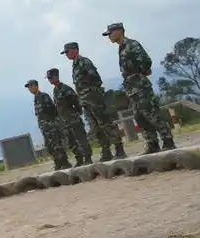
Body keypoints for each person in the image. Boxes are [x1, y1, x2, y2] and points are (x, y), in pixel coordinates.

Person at [103, 22, 177, 153]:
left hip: (140, 86)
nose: (109, 37)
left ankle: (167, 140)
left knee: (151, 113)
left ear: (119, 31)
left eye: (110, 33)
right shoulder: (121, 48)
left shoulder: (131, 44)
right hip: (131, 89)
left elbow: (145, 60)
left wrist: (140, 74)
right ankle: (152, 143)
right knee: (140, 117)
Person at [62, 41, 127, 161]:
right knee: (95, 127)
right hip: (85, 101)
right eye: (65, 53)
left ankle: (119, 148)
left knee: (106, 123)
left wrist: (93, 92)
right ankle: (106, 151)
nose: (66, 54)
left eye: (68, 51)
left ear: (75, 50)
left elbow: (96, 78)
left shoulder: (84, 62)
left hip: (93, 98)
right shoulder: (75, 65)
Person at [46, 68, 92, 166]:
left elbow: (76, 101)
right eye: (48, 78)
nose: (49, 80)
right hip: (64, 121)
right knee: (71, 142)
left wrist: (77, 113)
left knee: (81, 139)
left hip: (73, 118)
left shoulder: (65, 89)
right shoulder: (55, 90)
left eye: (50, 77)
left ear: (56, 77)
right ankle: (79, 159)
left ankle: (87, 157)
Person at [25, 79, 71, 170]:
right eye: (28, 87)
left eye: (30, 86)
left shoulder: (43, 96)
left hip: (51, 125)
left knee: (57, 144)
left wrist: (53, 123)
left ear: (36, 86)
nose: (29, 89)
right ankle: (58, 163)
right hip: (44, 128)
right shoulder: (36, 99)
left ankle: (65, 163)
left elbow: (53, 110)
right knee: (50, 147)